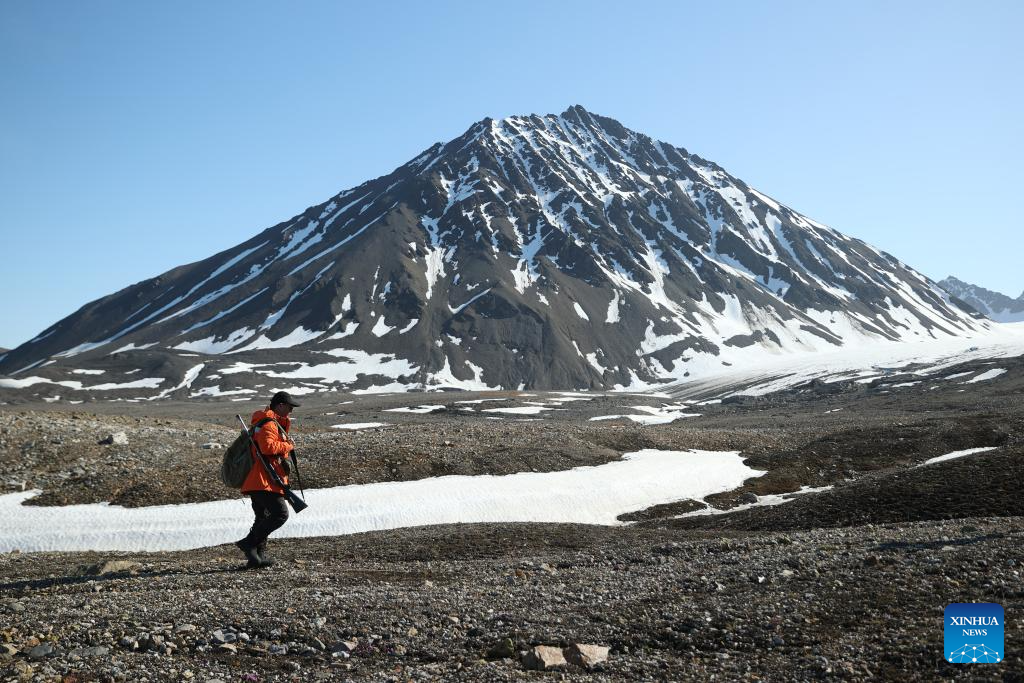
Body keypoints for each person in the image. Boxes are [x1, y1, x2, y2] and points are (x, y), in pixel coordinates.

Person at [235, 391, 300, 569]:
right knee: (280, 514)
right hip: (263, 481)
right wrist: (288, 445)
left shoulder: (267, 422)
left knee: (262, 517)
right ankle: (249, 543)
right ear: (279, 405)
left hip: (258, 481)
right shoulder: (270, 424)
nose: (291, 411)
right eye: (289, 407)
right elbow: (267, 447)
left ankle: (257, 557)